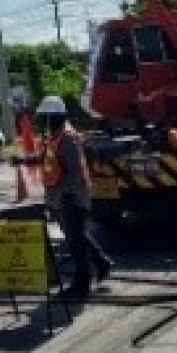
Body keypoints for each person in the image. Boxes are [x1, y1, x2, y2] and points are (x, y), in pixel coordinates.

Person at [38, 96, 113, 301]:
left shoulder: (68, 138)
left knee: (75, 241)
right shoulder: (55, 136)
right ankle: (101, 262)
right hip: (62, 197)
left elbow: (75, 172)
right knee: (76, 235)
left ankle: (82, 283)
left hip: (72, 197)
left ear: (56, 116)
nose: (44, 120)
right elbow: (50, 163)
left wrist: (66, 197)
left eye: (46, 117)